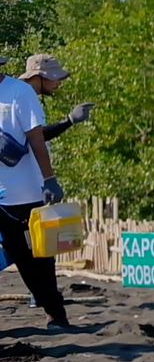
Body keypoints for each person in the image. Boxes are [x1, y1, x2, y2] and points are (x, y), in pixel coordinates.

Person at [0, 56, 70, 328]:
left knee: (36, 257)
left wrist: (49, 179)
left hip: (27, 191)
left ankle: (54, 311)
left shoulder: (19, 93)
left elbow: (37, 138)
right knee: (20, 255)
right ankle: (51, 307)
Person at [18, 54, 94, 141]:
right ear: (38, 76)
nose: (59, 83)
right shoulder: (23, 100)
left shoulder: (22, 96)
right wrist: (70, 120)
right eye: (55, 77)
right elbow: (39, 136)